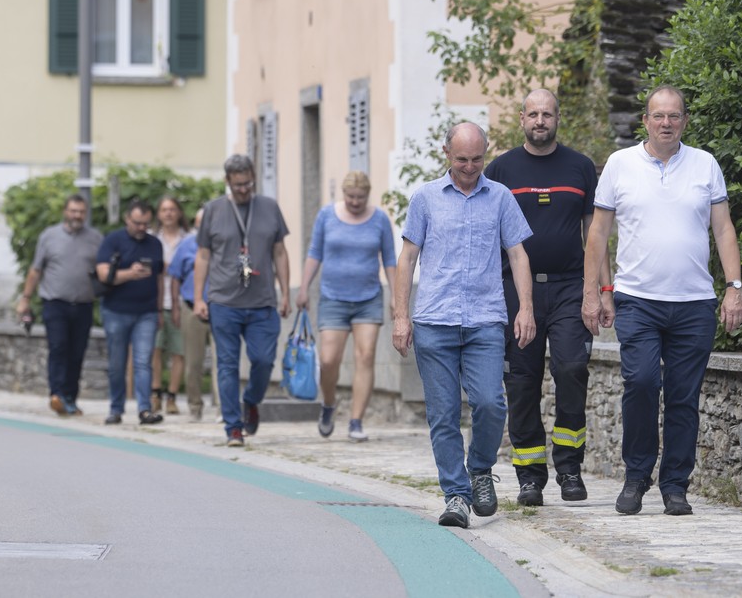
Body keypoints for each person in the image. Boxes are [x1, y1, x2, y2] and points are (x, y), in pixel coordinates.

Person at [582, 84, 742, 516]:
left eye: (674, 116)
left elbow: (723, 229)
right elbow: (597, 233)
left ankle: (675, 485)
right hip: (637, 300)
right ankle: (636, 476)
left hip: (694, 303)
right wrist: (594, 293)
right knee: (640, 383)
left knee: (682, 396)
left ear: (685, 121)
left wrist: (734, 286)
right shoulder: (620, 164)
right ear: (646, 121)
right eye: (658, 115)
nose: (666, 123)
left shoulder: (705, 164)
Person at [392, 121, 536, 529]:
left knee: (491, 403)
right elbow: (407, 258)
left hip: (485, 319)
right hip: (434, 320)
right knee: (444, 414)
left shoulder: (501, 197)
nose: (470, 167)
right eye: (461, 160)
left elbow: (518, 255)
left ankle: (481, 469)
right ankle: (456, 495)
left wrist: (526, 308)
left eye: (477, 159)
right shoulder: (425, 198)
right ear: (446, 154)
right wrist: (401, 316)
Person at [483, 89, 610, 506]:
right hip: (515, 291)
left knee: (572, 369)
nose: (540, 121)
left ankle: (570, 468)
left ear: (558, 119)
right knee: (522, 382)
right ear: (522, 119)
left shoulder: (580, 167)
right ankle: (530, 476)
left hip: (571, 286)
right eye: (534, 114)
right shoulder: (500, 170)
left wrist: (603, 291)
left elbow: (595, 236)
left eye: (548, 114)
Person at [193, 155, 291, 447]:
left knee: (263, 360)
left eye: (248, 183)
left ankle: (251, 400)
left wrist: (286, 293)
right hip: (223, 301)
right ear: (228, 182)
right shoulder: (213, 211)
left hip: (262, 301)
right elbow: (203, 256)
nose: (244, 190)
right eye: (238, 185)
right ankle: (233, 427)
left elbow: (280, 252)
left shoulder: (269, 207)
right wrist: (198, 298)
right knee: (227, 365)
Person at [296, 171, 397, 442]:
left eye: (360, 197)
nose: (355, 202)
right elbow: (314, 253)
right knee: (328, 360)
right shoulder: (326, 216)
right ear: (343, 193)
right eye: (350, 196)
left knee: (365, 356)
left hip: (368, 298)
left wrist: (395, 296)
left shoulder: (379, 219)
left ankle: (356, 421)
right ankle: (329, 404)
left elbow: (389, 259)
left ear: (368, 194)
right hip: (333, 298)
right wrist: (304, 288)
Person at [16, 194, 103, 416]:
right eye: (73, 211)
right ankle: (56, 394)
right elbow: (36, 270)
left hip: (83, 304)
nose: (77, 216)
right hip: (55, 303)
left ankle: (70, 398)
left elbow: (103, 270)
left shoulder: (95, 238)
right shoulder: (49, 236)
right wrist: (25, 298)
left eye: (81, 212)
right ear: (65, 212)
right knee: (58, 347)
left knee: (77, 352)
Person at [96, 200, 166, 426]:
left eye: (146, 224)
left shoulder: (155, 244)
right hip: (116, 311)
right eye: (137, 223)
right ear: (127, 219)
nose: (141, 228)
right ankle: (116, 409)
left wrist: (160, 309)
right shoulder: (113, 240)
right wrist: (129, 274)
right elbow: (102, 273)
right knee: (117, 364)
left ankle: (145, 410)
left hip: (147, 312)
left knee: (143, 362)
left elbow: (159, 278)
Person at [169, 207, 217, 422]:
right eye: (200, 224)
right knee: (193, 363)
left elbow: (243, 269)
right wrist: (176, 307)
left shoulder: (226, 243)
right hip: (191, 307)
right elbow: (175, 277)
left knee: (223, 362)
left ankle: (224, 408)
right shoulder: (187, 245)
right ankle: (195, 407)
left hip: (221, 308)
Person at [151, 196, 189, 415]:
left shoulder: (188, 239)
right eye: (164, 209)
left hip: (181, 301)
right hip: (156, 301)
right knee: (155, 349)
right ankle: (155, 393)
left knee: (179, 351)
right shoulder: (152, 239)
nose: (168, 213)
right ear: (159, 214)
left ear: (179, 212)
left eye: (172, 209)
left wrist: (171, 268)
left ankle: (172, 396)